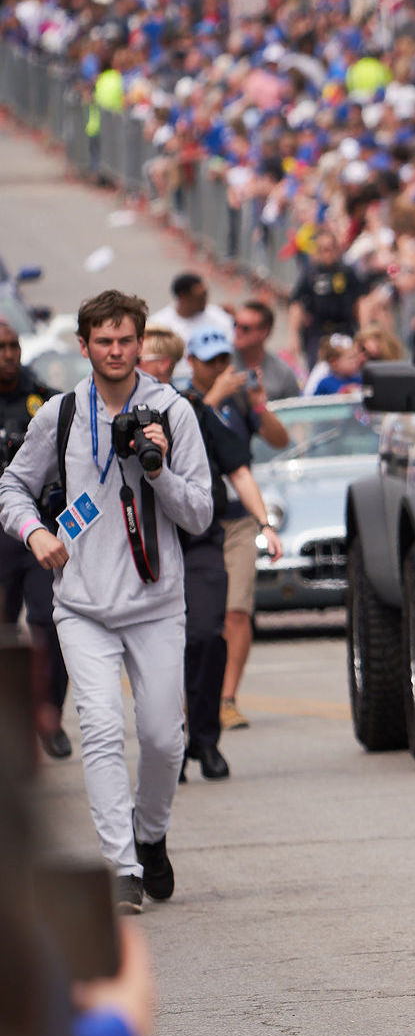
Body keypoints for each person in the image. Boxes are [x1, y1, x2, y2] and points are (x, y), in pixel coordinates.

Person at [0, 292, 213, 913]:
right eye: (103, 341)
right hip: (83, 605)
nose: (115, 352)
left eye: (126, 341)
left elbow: (199, 512)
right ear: (85, 345)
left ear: (140, 343)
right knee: (98, 727)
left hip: (155, 601)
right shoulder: (61, 414)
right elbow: (12, 484)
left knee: (163, 738)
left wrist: (157, 472)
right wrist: (34, 531)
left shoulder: (172, 411)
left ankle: (150, 837)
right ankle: (121, 866)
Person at [137, 328, 279, 780]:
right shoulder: (108, 413)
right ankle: (168, 744)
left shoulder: (192, 413)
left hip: (199, 537)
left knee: (205, 635)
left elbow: (238, 468)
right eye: (149, 358)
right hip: (143, 543)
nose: (155, 367)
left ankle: (205, 737)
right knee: (157, 649)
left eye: (164, 360)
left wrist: (265, 523)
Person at [183, 326, 285, 733]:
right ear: (192, 362)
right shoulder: (183, 399)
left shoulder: (241, 399)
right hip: (195, 522)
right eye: (211, 362)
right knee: (197, 620)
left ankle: (227, 698)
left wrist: (259, 406)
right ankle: (193, 699)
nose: (221, 368)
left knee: (237, 611)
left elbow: (278, 439)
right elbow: (186, 433)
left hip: (239, 519)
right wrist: (214, 398)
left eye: (225, 359)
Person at [0, 319, 67, 758]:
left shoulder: (42, 398)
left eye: (13, 346)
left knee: (50, 624)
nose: (8, 354)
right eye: (0, 347)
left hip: (35, 530)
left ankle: (50, 715)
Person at [287, 229, 370, 370]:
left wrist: (365, 332)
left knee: (349, 368)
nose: (328, 253)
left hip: (345, 329)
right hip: (318, 332)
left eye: (331, 248)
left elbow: (361, 302)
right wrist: (293, 336)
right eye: (323, 249)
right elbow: (297, 304)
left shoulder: (347, 272)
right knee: (318, 369)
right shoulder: (310, 274)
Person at [230, 301, 300, 400]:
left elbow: (293, 414)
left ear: (264, 332)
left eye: (245, 328)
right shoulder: (217, 363)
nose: (237, 331)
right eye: (235, 324)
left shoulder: (283, 374)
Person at [146, 274, 231, 348]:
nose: (205, 300)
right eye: (200, 297)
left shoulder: (219, 317)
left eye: (205, 294)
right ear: (182, 296)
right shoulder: (158, 324)